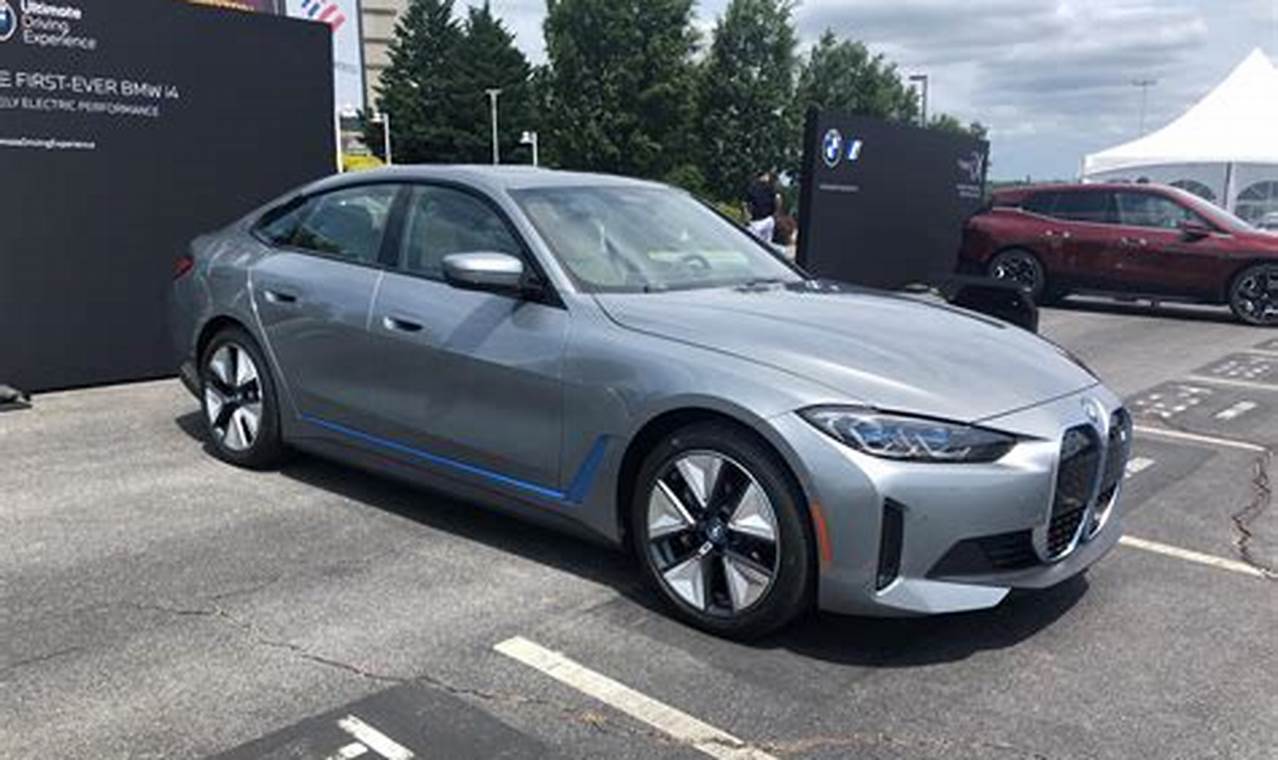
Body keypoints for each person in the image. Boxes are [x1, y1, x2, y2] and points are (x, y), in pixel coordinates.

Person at [745, 171, 777, 242]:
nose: (767, 178)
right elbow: (747, 203)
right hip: (759, 220)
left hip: (765, 219)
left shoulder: (770, 188)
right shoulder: (754, 188)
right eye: (766, 175)